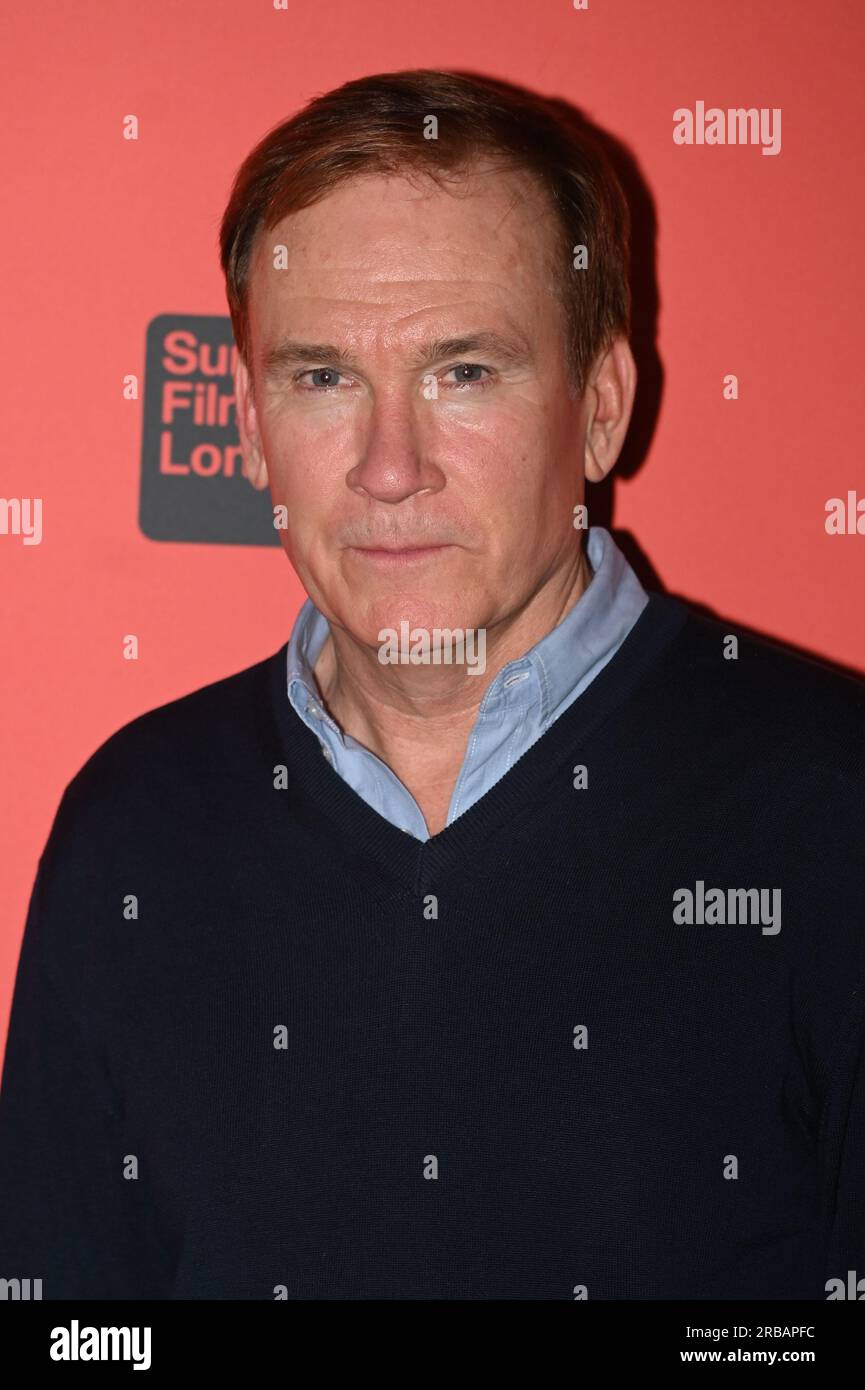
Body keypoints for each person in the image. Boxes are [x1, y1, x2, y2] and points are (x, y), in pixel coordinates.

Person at [1, 68, 863, 1300]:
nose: (389, 466)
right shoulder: (131, 828)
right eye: (322, 377)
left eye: (464, 372)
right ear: (247, 427)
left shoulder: (832, 812)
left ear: (602, 408)